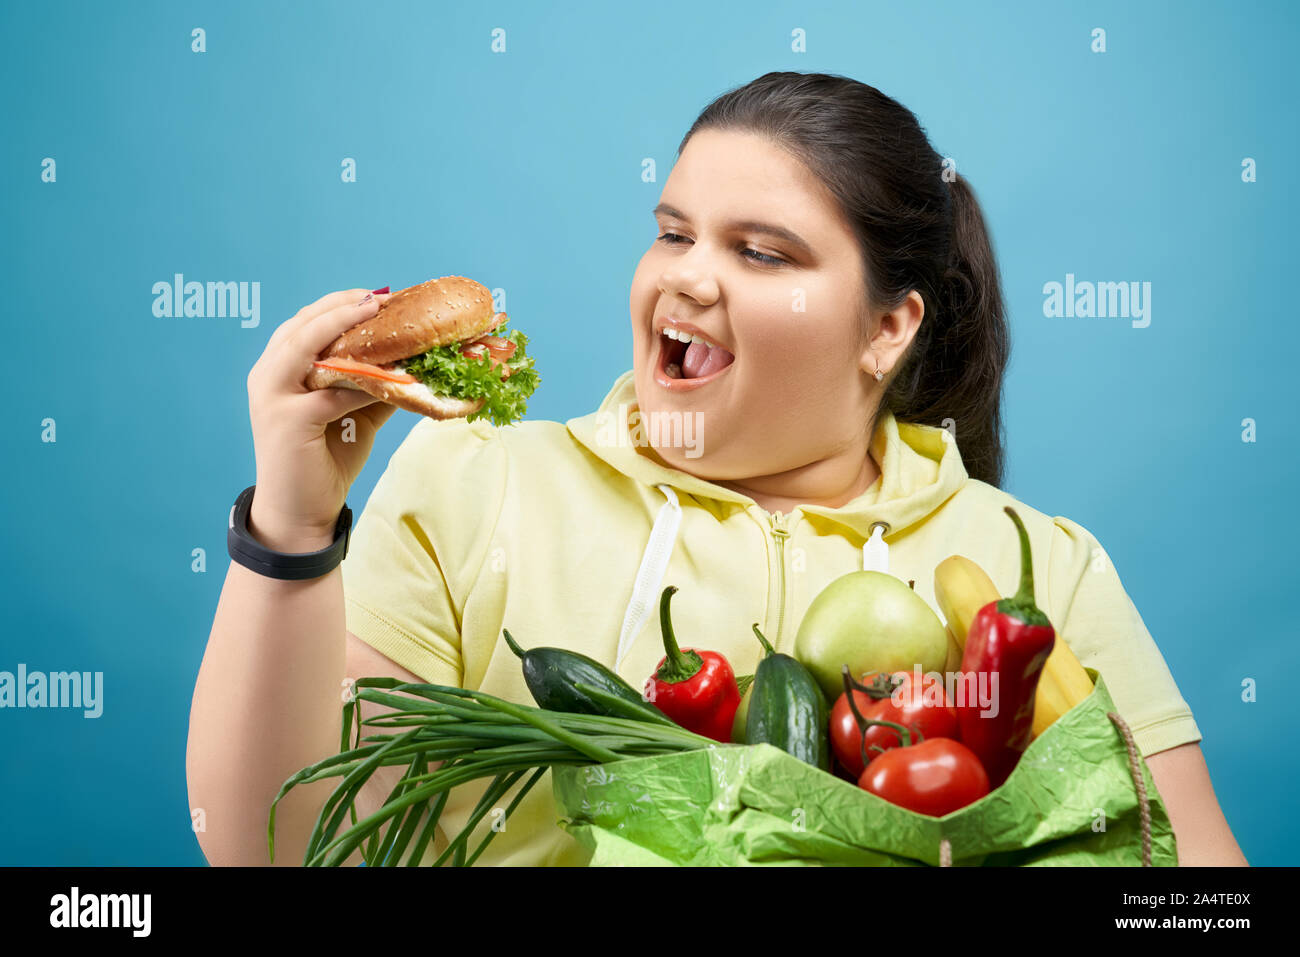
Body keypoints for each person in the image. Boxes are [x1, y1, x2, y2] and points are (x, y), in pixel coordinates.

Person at [187, 71, 1248, 866]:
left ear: (888, 326)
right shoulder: (474, 482)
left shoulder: (1034, 564)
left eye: (760, 252)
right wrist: (288, 522)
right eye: (672, 233)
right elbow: (268, 847)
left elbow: (1196, 889)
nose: (686, 278)